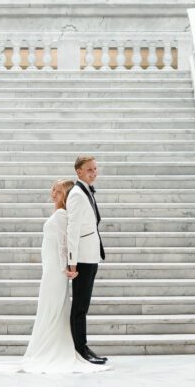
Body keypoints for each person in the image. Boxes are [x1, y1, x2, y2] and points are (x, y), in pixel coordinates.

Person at [0, 178, 110, 374]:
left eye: (58, 192)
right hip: (50, 267)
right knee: (49, 306)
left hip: (55, 270)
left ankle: (54, 347)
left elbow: (62, 245)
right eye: (53, 190)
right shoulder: (58, 213)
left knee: (52, 306)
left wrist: (67, 267)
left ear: (66, 196)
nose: (53, 193)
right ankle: (48, 344)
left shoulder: (61, 214)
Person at [65, 155, 107, 365]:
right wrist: (72, 261)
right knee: (80, 306)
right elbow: (72, 230)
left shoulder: (86, 192)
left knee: (84, 305)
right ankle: (80, 349)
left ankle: (83, 346)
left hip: (91, 256)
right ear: (79, 172)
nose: (94, 172)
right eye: (89, 169)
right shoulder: (76, 194)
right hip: (81, 258)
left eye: (95, 169)